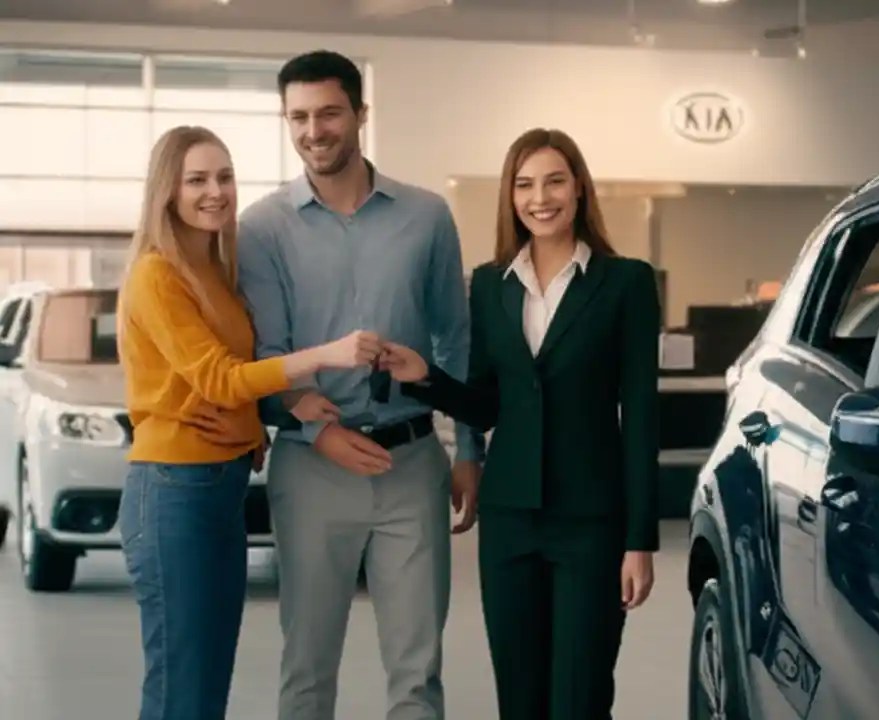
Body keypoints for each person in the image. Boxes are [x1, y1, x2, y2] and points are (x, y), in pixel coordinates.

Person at [377, 127, 661, 720]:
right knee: (520, 701)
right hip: (509, 522)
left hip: (591, 523)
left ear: (579, 188)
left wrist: (640, 540)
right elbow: (486, 404)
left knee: (579, 701)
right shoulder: (490, 284)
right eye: (525, 184)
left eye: (555, 180)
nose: (541, 197)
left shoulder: (626, 283)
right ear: (510, 196)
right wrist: (426, 376)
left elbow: (640, 418)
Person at [235, 50, 482, 720]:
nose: (314, 130)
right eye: (299, 117)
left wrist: (467, 452)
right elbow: (269, 352)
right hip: (311, 471)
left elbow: (453, 339)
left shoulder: (426, 216)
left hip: (411, 467)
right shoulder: (261, 227)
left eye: (328, 113)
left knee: (417, 673)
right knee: (307, 670)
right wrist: (318, 431)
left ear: (360, 114)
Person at [116, 125, 381, 720]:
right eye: (197, 180)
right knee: (180, 687)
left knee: (208, 683)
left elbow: (232, 381)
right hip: (172, 492)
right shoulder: (158, 275)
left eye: (225, 176)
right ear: (167, 191)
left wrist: (264, 420)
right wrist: (323, 357)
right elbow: (220, 378)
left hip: (221, 484)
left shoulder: (214, 268)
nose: (216, 191)